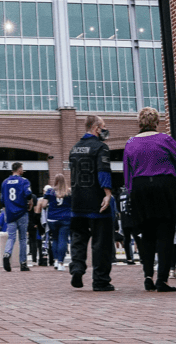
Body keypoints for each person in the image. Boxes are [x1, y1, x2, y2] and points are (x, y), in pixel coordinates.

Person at [123, 107, 176, 293]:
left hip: (140, 189)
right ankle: (162, 280)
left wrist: (131, 191)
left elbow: (127, 173)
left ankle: (147, 276)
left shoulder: (130, 143)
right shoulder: (164, 139)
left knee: (146, 235)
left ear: (139, 122)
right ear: (156, 121)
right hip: (164, 188)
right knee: (165, 234)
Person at [69, 115, 114, 292]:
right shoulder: (100, 147)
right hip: (96, 201)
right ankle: (100, 280)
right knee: (101, 242)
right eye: (103, 126)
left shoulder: (74, 148)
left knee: (78, 239)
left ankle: (77, 268)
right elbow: (103, 171)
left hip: (77, 201)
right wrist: (107, 193)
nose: (105, 129)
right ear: (96, 128)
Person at [1, 163, 33, 271]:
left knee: (11, 237)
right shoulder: (24, 181)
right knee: (23, 238)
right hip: (22, 212)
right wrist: (30, 202)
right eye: (22, 168)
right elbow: (28, 194)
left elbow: (2, 200)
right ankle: (23, 263)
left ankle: (6, 254)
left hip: (10, 213)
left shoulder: (5, 182)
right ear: (19, 169)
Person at [43, 175, 72, 269]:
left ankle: (55, 260)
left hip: (52, 218)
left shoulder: (50, 191)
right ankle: (60, 263)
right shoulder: (69, 191)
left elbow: (43, 204)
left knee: (55, 239)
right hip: (65, 218)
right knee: (63, 239)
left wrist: (50, 204)